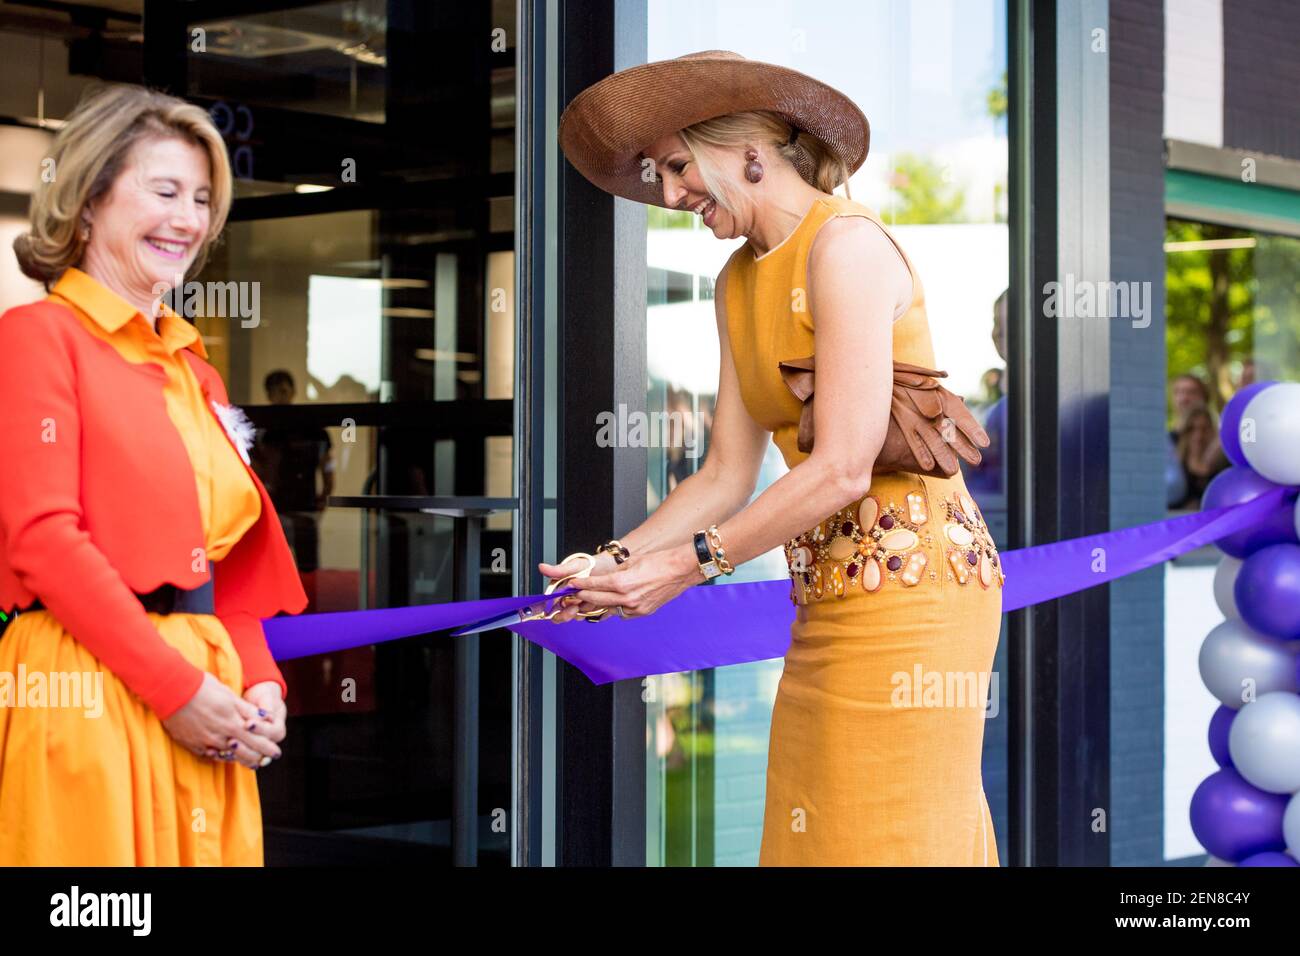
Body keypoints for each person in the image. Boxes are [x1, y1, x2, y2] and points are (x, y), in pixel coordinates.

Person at [547, 51, 1003, 865]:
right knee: (817, 831)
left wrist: (685, 568)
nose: (669, 193)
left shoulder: (847, 247)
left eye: (680, 166)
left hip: (918, 595)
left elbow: (843, 468)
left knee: (889, 836)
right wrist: (618, 563)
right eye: (656, 175)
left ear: (751, 151)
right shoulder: (736, 279)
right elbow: (724, 470)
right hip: (828, 593)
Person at [0, 83, 307, 864]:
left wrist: (262, 686)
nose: (188, 220)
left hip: (209, 708)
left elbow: (223, 562)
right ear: (90, 200)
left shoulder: (193, 369)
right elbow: (43, 540)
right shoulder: (36, 338)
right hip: (90, 691)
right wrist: (177, 691)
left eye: (202, 199)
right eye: (164, 191)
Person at [251, 369, 334, 573]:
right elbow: (255, 466)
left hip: (304, 506)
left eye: (283, 390)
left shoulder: (311, 428)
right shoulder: (263, 429)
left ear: (292, 391)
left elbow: (327, 463)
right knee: (273, 566)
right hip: (274, 507)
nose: (280, 396)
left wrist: (326, 493)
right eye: (275, 392)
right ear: (268, 395)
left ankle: (311, 602)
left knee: (307, 567)